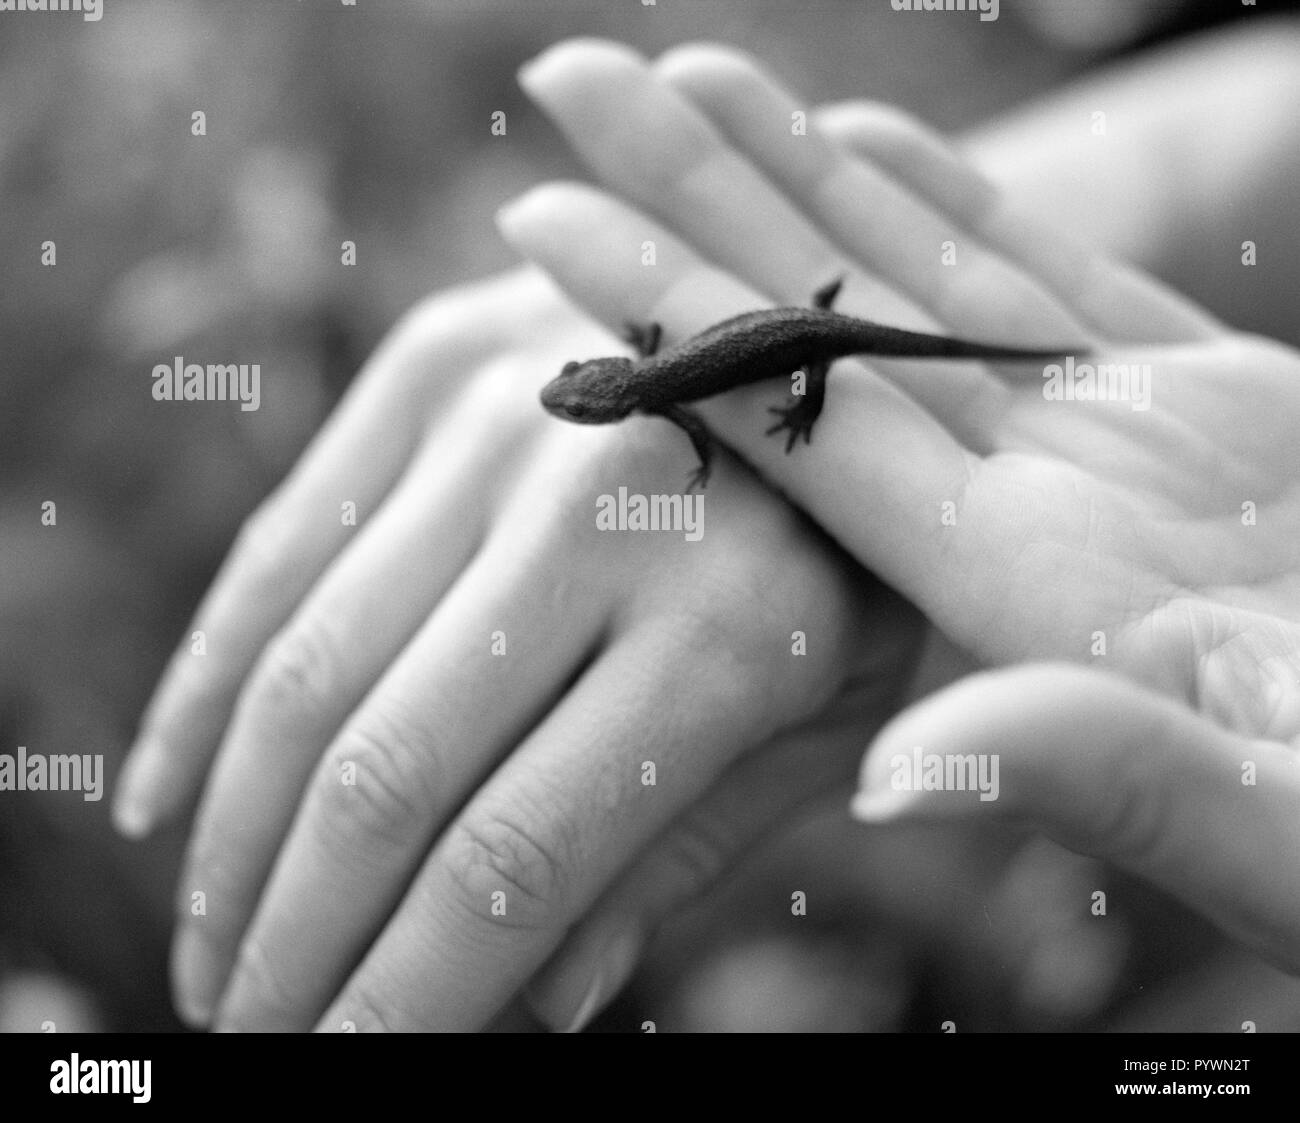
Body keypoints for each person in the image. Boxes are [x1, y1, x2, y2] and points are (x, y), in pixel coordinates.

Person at [112, 28, 1300, 1031]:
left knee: (830, 357)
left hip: (813, 336)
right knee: (822, 339)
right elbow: (657, 377)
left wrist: (790, 405)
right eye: (585, 400)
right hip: (807, 317)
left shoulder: (665, 393)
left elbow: (691, 426)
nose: (585, 404)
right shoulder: (655, 382)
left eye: (584, 400)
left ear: (609, 393)